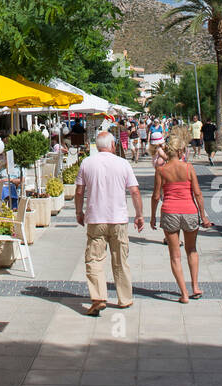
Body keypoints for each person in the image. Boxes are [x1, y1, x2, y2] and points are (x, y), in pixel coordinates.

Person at [75, 131, 144, 316]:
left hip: (96, 219)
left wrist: (78, 212)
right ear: (113, 145)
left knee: (94, 259)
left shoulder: (87, 163)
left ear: (98, 146)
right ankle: (124, 298)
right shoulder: (123, 163)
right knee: (120, 260)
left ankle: (98, 297)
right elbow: (135, 191)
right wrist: (139, 215)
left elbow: (80, 191)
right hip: (118, 219)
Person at [151, 136, 213, 301]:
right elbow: (197, 193)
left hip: (170, 211)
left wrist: (152, 217)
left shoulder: (161, 170)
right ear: (180, 151)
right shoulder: (188, 168)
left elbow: (156, 196)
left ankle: (184, 293)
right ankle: (195, 287)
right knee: (192, 250)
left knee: (175, 255)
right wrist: (203, 216)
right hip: (189, 211)